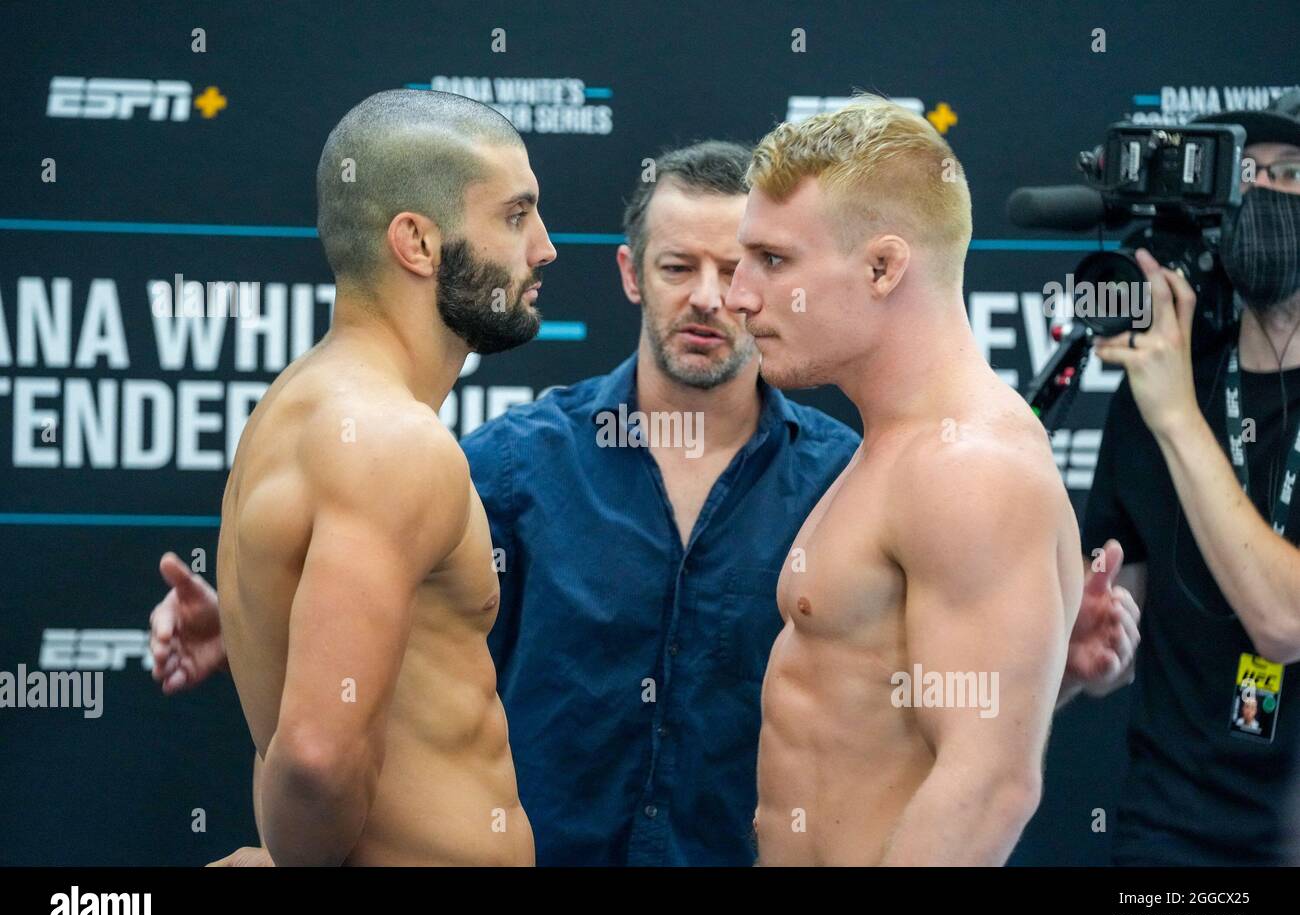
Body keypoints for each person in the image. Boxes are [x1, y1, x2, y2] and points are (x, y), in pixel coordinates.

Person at [151, 138, 1133, 867]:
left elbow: (931, 717)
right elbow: (401, 644)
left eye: (735, 268)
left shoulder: (856, 485)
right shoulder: (501, 468)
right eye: (676, 267)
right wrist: (257, 613)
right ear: (630, 273)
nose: (708, 297)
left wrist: (1052, 659)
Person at [727, 93, 1083, 866]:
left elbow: (990, 784)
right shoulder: (894, 447)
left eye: (774, 262)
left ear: (884, 266)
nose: (737, 296)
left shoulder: (967, 466)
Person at [202, 87, 555, 865]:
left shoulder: (296, 405)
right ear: (418, 243)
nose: (545, 248)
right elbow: (318, 757)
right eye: (514, 215)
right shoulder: (393, 442)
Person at [1080, 91, 1300, 865]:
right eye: (1251, 173)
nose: (1268, 191)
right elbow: (1109, 651)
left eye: (1293, 173)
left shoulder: (1163, 400)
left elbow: (1285, 623)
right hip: (1168, 835)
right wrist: (1074, 656)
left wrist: (1178, 416)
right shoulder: (1156, 393)